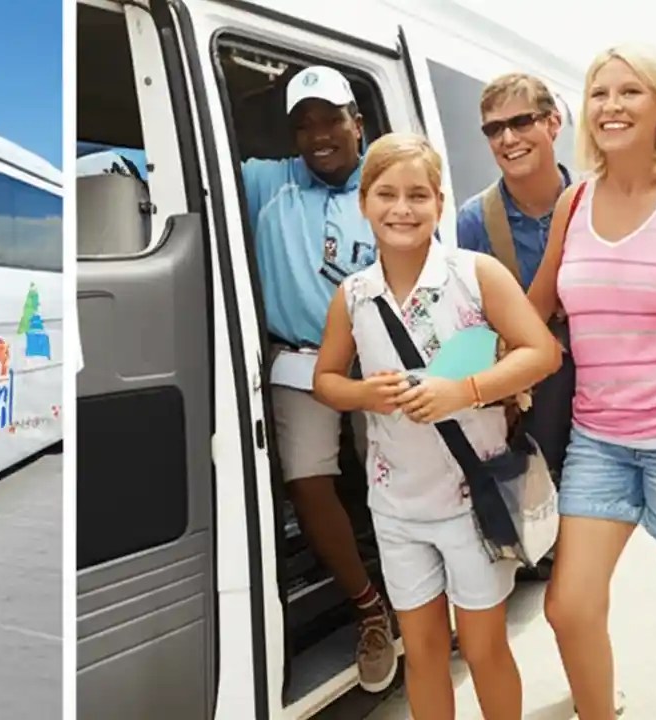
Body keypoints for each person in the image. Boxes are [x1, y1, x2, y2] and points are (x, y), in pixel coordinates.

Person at [313, 132, 560, 719]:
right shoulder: (354, 295)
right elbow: (326, 379)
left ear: (439, 203)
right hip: (396, 507)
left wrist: (464, 391)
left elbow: (543, 351)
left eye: (418, 195)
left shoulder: (475, 274)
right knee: (422, 653)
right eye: (387, 194)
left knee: (482, 647)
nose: (402, 208)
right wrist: (364, 394)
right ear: (363, 202)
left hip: (472, 502)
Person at [527, 45, 656, 720]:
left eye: (630, 92)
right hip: (600, 442)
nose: (611, 106)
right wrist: (458, 371)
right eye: (599, 93)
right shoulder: (575, 202)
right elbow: (536, 310)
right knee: (568, 607)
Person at [241, 64, 394, 691]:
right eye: (304, 125)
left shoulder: (387, 185)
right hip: (301, 361)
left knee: (396, 480)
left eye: (331, 119)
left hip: (380, 355)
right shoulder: (266, 183)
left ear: (358, 123)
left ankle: (421, 593)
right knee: (306, 483)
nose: (318, 135)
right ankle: (370, 610)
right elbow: (163, 167)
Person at [455, 72, 576, 581]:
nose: (507, 139)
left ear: (553, 123)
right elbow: (469, 326)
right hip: (534, 384)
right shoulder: (475, 220)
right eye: (494, 129)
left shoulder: (597, 202)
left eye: (521, 121)